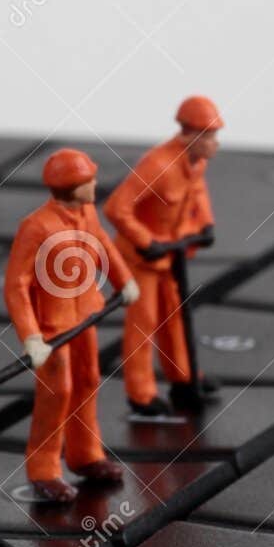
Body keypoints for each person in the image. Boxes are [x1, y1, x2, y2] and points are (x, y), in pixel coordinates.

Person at [5, 147, 138, 503]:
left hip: (85, 315)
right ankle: (44, 470)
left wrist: (122, 280)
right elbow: (16, 285)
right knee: (57, 392)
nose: (94, 185)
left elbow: (104, 247)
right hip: (52, 328)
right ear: (70, 186)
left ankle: (85, 455)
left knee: (88, 381)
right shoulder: (36, 226)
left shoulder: (87, 213)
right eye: (87, 181)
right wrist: (31, 337)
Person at [104, 95, 221, 415]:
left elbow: (198, 195)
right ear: (189, 134)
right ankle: (141, 394)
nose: (215, 144)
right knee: (144, 324)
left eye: (215, 136)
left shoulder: (196, 163)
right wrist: (145, 240)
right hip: (142, 258)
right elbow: (116, 207)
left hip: (173, 255)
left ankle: (184, 378)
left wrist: (205, 225)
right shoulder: (158, 165)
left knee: (176, 319)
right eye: (209, 137)